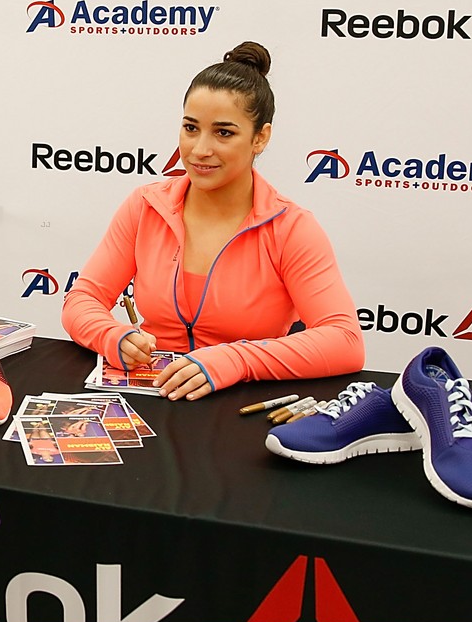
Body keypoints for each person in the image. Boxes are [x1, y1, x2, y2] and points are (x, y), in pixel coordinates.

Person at [61, 41, 364, 402]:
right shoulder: (145, 206)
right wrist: (114, 336)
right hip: (154, 399)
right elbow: (83, 299)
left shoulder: (291, 227)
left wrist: (235, 359)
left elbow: (345, 341)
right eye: (191, 128)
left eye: (223, 132)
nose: (200, 149)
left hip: (241, 407)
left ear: (260, 138)